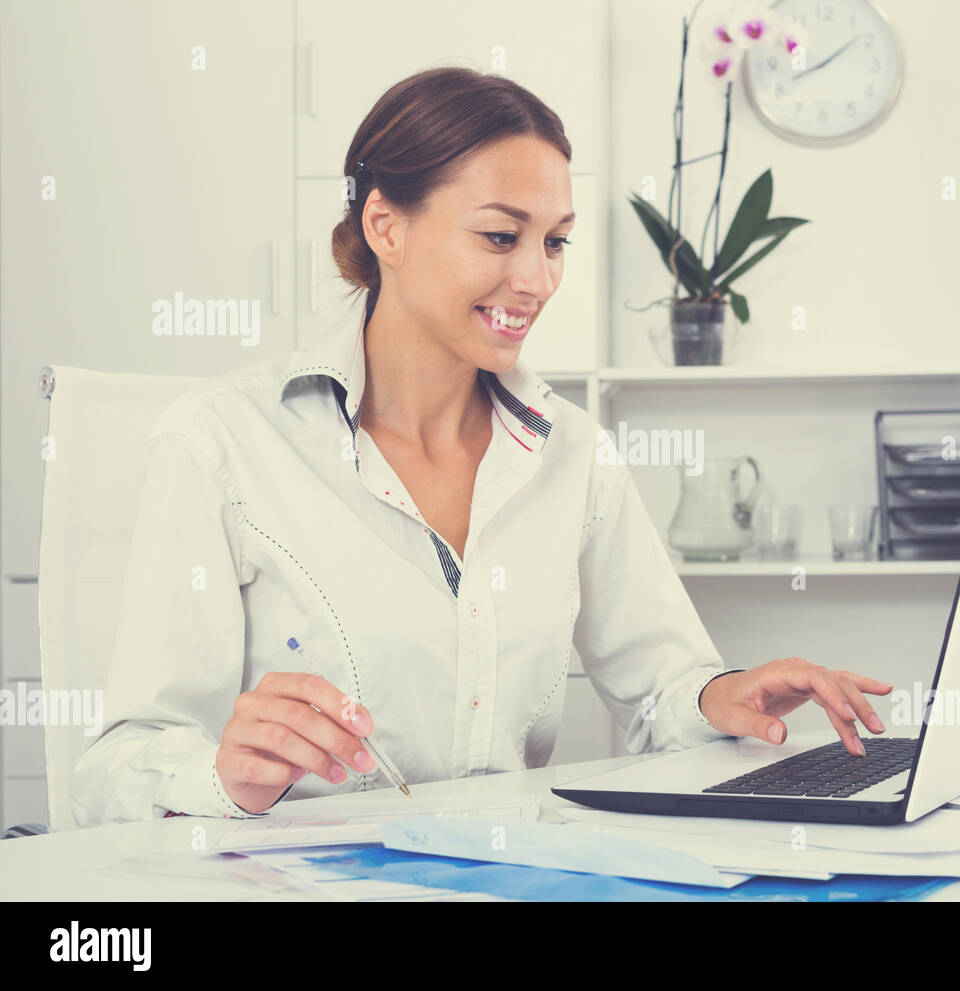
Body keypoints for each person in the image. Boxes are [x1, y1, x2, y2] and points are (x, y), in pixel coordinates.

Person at [71, 66, 891, 826]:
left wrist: (721, 695)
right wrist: (224, 775)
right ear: (385, 225)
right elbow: (116, 768)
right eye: (501, 237)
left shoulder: (575, 456)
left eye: (556, 240)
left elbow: (660, 692)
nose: (536, 279)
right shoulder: (221, 442)